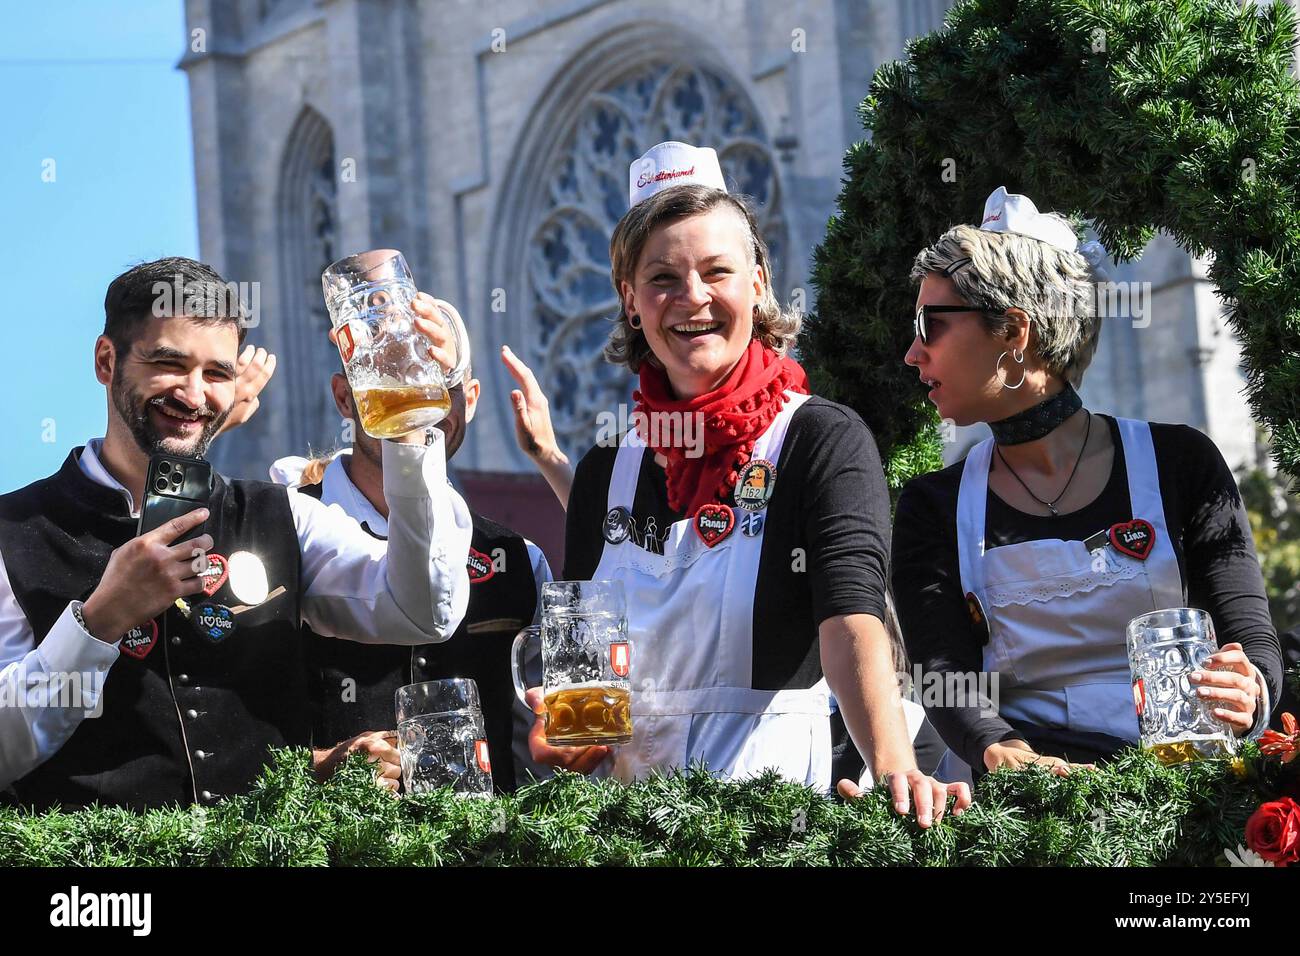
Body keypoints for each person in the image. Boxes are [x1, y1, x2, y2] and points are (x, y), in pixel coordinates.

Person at [513, 142, 969, 826]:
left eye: (716, 271)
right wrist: (571, 734)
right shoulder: (606, 471)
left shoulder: (819, 439)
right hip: (628, 832)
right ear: (630, 300)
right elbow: (583, 676)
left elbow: (851, 620)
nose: (692, 298)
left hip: (778, 823)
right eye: (662, 278)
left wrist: (894, 768)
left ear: (757, 284)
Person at [0, 257, 473, 809]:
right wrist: (99, 621)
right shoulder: (15, 532)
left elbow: (422, 611)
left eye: (217, 374)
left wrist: (409, 425)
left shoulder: (280, 514)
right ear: (107, 361)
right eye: (169, 363)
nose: (194, 394)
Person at [894, 187, 1283, 778]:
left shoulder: (1182, 461)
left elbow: (1250, 634)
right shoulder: (933, 505)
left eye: (931, 325)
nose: (912, 353)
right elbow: (943, 675)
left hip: (1186, 791)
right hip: (1022, 802)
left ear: (1014, 331)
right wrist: (1007, 755)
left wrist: (1247, 687)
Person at [260, 300, 553, 793]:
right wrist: (320, 766)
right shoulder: (275, 532)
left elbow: (539, 756)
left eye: (438, 384)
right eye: (391, 380)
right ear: (345, 397)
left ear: (470, 400)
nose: (416, 405)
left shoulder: (520, 558)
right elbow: (228, 730)